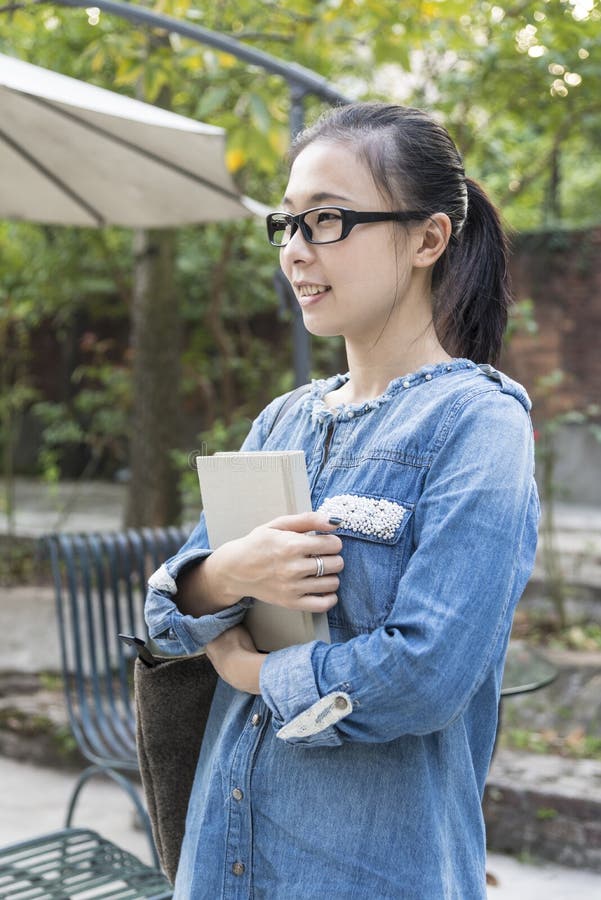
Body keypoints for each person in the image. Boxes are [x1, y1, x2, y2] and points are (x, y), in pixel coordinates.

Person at [145, 102, 539, 899]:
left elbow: (425, 673)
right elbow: (166, 617)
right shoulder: (282, 418)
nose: (295, 250)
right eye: (287, 223)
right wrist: (227, 574)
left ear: (427, 239)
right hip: (220, 862)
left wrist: (251, 671)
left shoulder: (477, 423)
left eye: (326, 220)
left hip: (368, 871)